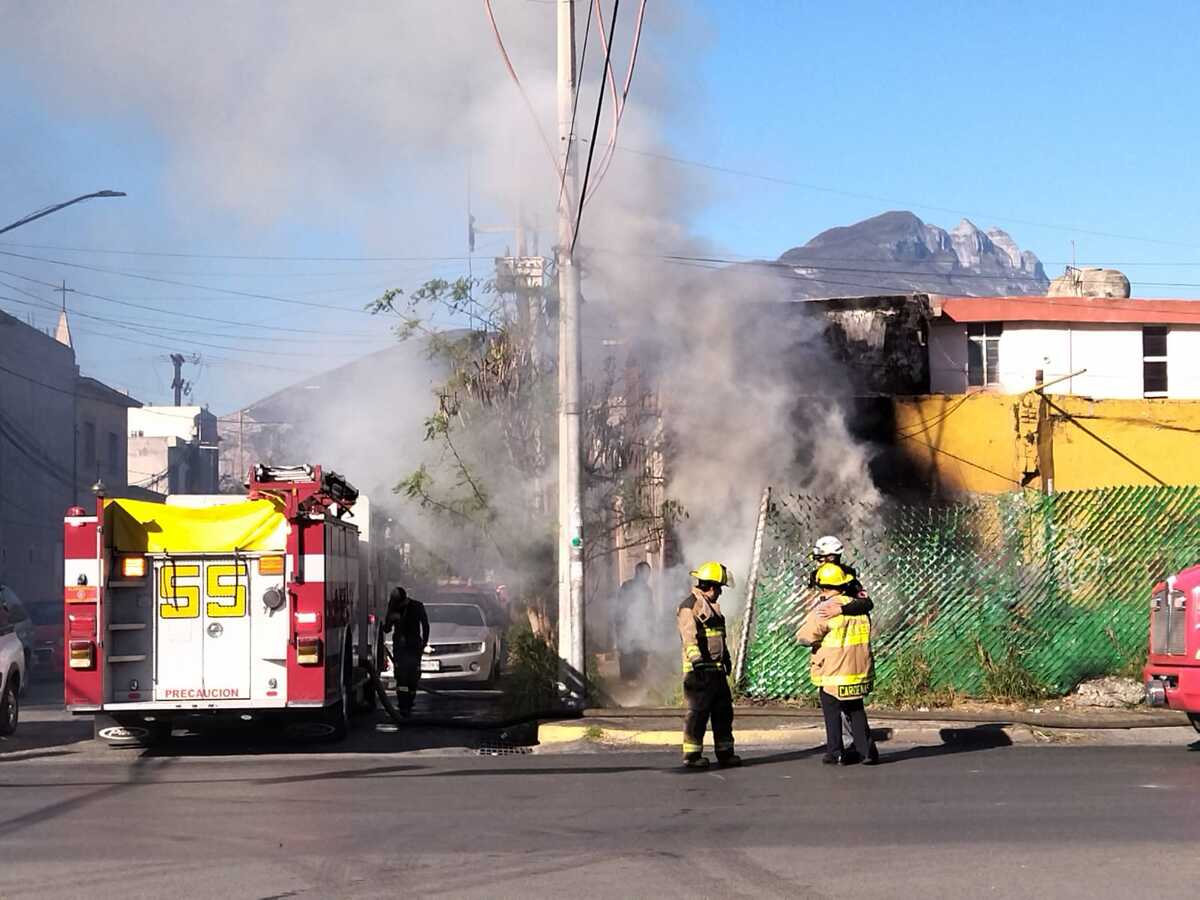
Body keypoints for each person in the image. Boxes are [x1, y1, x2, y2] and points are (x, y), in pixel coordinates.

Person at [797, 562, 879, 766]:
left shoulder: (825, 609)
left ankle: (835, 752)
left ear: (822, 587)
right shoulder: (856, 607)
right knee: (856, 709)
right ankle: (866, 751)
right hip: (859, 670)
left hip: (833, 672)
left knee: (831, 711)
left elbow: (805, 637)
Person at [677, 561, 741, 769]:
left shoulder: (712, 608)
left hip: (716, 671)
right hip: (699, 673)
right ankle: (693, 756)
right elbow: (689, 637)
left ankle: (725, 753)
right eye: (719, 588)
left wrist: (727, 659)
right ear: (711, 586)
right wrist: (697, 662)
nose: (721, 592)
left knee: (723, 712)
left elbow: (719, 638)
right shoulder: (689, 606)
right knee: (698, 714)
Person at [382, 586, 429, 717]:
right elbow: (386, 628)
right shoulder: (393, 607)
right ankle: (403, 704)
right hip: (400, 648)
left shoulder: (417, 606)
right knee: (401, 677)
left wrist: (423, 643)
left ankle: (410, 700)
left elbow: (425, 625)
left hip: (414, 646)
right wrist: (391, 619)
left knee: (413, 676)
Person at [615, 561, 653, 680]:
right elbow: (620, 607)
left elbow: (650, 608)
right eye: (645, 572)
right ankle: (626, 680)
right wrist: (622, 626)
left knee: (641, 652)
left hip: (642, 627)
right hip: (627, 627)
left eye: (648, 573)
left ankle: (639, 677)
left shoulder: (647, 590)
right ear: (637, 572)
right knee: (627, 653)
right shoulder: (627, 586)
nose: (647, 576)